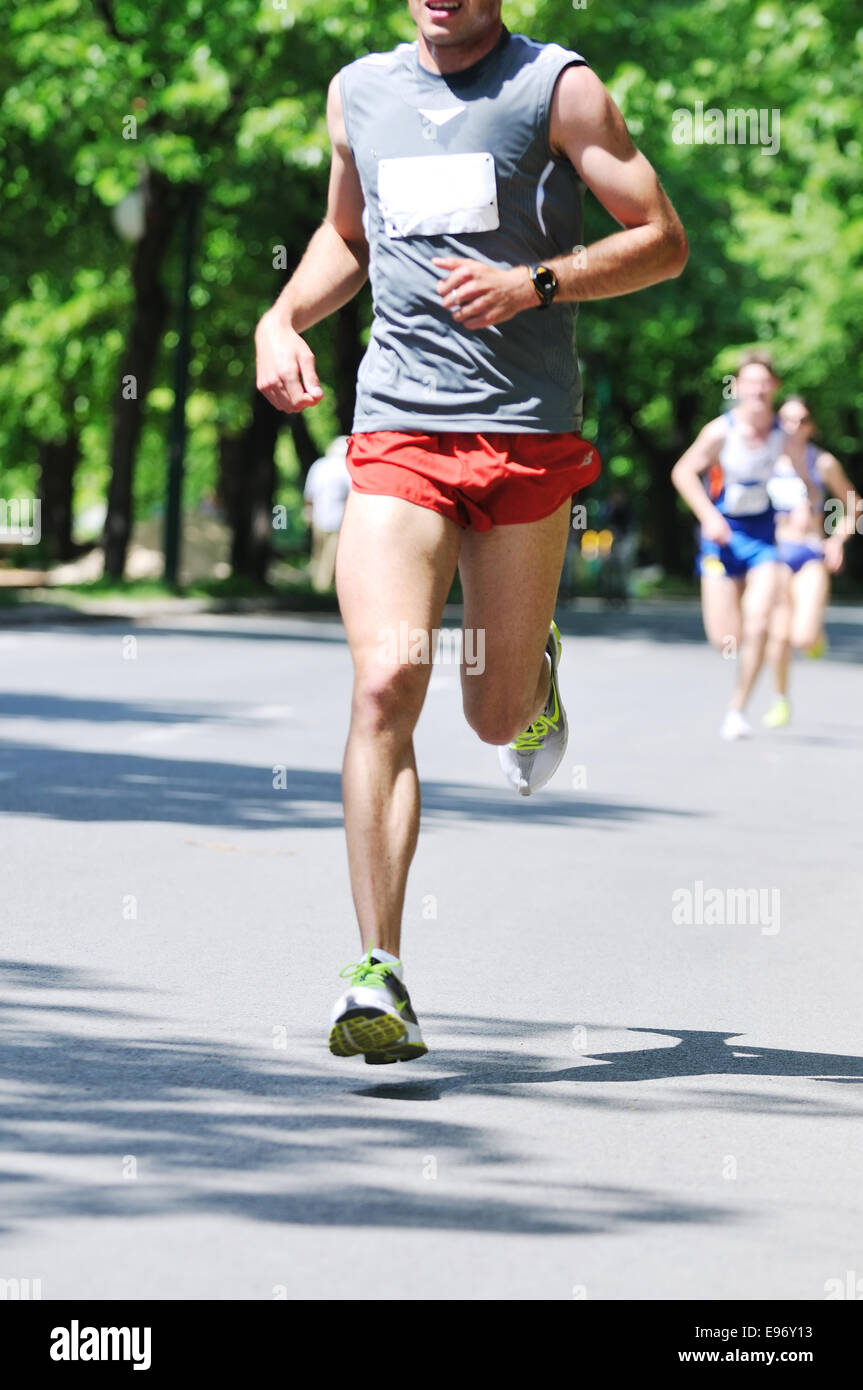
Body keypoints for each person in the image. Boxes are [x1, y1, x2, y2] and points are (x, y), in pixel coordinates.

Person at [255, 0, 687, 1063]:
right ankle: (378, 969)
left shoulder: (556, 88)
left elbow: (660, 241)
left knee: (492, 718)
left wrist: (534, 280)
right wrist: (279, 319)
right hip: (397, 429)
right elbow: (345, 236)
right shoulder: (358, 91)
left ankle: (529, 672)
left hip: (525, 436)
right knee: (380, 685)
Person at [671, 351, 816, 742]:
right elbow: (682, 471)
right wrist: (708, 516)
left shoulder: (782, 437)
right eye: (748, 382)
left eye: (763, 382)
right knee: (726, 639)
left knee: (759, 621)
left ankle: (738, 708)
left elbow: (807, 480)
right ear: (736, 388)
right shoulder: (721, 431)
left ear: (774, 388)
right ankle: (738, 683)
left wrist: (805, 505)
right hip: (722, 538)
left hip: (763, 538)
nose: (756, 389)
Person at [762, 396, 859, 727]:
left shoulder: (823, 462)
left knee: (801, 636)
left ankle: (814, 637)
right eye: (786, 419)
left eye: (801, 420)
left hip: (810, 552)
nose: (793, 426)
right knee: (778, 634)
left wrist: (837, 539)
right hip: (774, 553)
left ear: (811, 426)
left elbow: (854, 505)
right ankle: (780, 699)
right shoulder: (766, 459)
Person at [303, 435, 351, 592]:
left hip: (319, 516)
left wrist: (308, 513)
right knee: (331, 556)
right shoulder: (346, 468)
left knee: (317, 552)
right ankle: (323, 588)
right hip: (339, 519)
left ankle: (316, 585)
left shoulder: (319, 466)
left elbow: (309, 494)